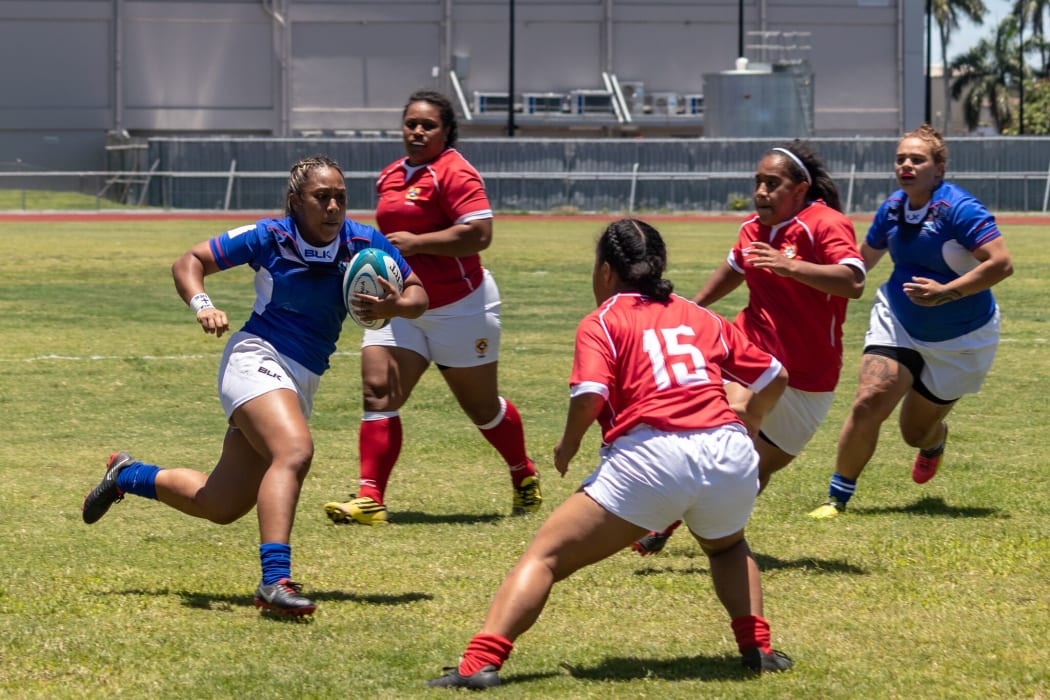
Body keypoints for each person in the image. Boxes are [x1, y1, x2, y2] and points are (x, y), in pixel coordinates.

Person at [427, 219, 793, 690]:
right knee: (726, 546)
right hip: (728, 454)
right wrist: (753, 420)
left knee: (546, 557)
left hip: (653, 457)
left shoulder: (603, 320)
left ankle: (479, 663)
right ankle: (757, 650)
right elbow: (774, 376)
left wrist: (569, 443)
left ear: (605, 271)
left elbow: (590, 393)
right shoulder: (701, 316)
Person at [81, 155, 429, 616]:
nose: (332, 207)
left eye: (340, 198)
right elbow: (190, 261)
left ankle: (126, 474)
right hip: (256, 359)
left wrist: (397, 307)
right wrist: (203, 304)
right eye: (321, 197)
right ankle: (274, 581)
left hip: (301, 379)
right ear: (295, 201)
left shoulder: (364, 242)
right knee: (294, 452)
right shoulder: (271, 236)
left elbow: (418, 293)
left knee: (220, 504)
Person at [633, 140, 866, 555]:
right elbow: (734, 268)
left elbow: (853, 281)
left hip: (810, 375)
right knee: (723, 422)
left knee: (751, 473)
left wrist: (790, 266)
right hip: (751, 348)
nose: (761, 191)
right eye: (758, 182)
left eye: (772, 183)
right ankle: (666, 517)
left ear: (799, 190)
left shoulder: (825, 223)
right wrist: (689, 307)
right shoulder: (751, 230)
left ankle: (714, 528)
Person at [324, 89, 540, 526]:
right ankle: (370, 498)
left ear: (446, 131)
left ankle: (523, 474)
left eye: (428, 125)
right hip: (401, 302)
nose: (418, 131)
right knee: (377, 391)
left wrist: (418, 242)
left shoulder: (456, 172)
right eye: (411, 124)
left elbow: (480, 234)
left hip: (461, 306)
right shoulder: (390, 175)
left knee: (481, 409)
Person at [808, 124, 1014, 518]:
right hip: (898, 320)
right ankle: (836, 498)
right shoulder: (892, 208)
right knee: (869, 400)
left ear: (938, 169)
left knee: (913, 432)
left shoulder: (959, 209)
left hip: (962, 337)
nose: (906, 165)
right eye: (901, 158)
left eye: (917, 159)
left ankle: (933, 443)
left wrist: (946, 292)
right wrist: (811, 279)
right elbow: (861, 263)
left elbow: (1002, 263)